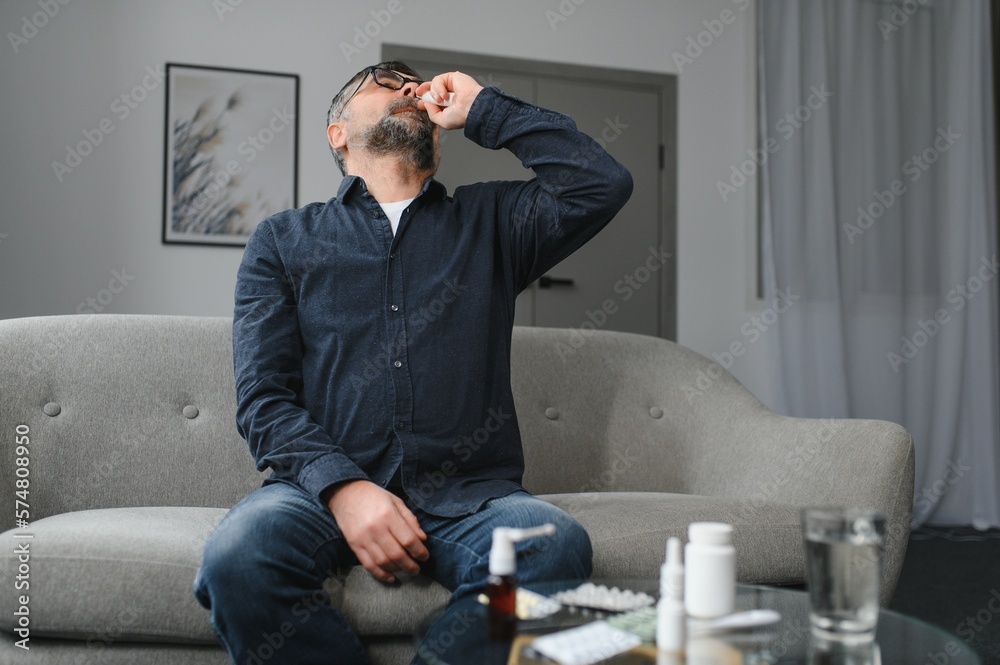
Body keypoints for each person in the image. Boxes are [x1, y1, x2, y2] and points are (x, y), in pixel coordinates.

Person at [193, 60, 633, 665]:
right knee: (239, 557)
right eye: (384, 79)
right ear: (338, 133)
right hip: (315, 493)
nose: (407, 86)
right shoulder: (284, 240)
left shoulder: (493, 224)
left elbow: (601, 182)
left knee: (554, 546)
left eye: (411, 82)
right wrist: (346, 490)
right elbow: (264, 400)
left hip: (470, 497)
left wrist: (486, 110)